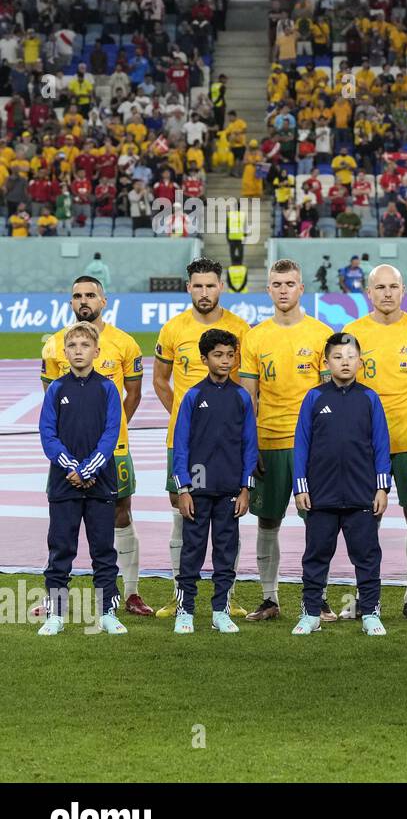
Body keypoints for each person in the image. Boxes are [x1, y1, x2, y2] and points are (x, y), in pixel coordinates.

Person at [38, 277, 148, 617]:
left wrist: (109, 433)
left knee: (120, 513)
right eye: (77, 296)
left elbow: (133, 393)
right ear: (71, 302)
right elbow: (51, 399)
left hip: (113, 450)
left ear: (104, 300)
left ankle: (129, 593)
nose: (83, 300)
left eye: (90, 295)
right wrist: (72, 455)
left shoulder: (124, 342)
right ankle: (55, 601)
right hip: (68, 455)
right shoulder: (56, 344)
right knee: (62, 527)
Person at [153, 257, 251, 619]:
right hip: (186, 445)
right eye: (198, 285)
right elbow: (160, 380)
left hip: (226, 445)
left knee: (229, 516)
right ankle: (181, 595)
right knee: (184, 513)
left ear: (221, 287)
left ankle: (228, 597)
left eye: (211, 285)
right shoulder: (172, 329)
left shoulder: (240, 328)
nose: (204, 292)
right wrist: (184, 421)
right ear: (188, 288)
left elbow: (247, 384)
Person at [239, 259, 335, 622]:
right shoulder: (256, 336)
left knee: (317, 521)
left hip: (310, 447)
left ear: (301, 288)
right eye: (277, 284)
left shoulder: (321, 334)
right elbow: (248, 398)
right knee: (267, 521)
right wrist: (251, 447)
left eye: (290, 283)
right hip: (268, 441)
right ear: (269, 290)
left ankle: (318, 597)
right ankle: (269, 598)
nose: (283, 290)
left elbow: (329, 396)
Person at [344, 265, 407, 620]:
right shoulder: (353, 333)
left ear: (404, 290)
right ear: (369, 292)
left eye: (393, 286)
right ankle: (364, 596)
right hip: (364, 444)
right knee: (366, 517)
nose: (387, 293)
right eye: (380, 287)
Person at [290, 333, 392, 636]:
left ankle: (370, 612)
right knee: (316, 554)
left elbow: (382, 445)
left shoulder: (369, 398)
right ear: (326, 362)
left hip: (362, 495)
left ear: (360, 361)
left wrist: (381, 488)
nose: (345, 362)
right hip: (321, 495)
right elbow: (302, 445)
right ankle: (311, 613)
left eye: (350, 356)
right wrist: (301, 487)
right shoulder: (314, 397)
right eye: (337, 357)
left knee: (367, 555)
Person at [36, 323, 128, 636]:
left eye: (84, 345)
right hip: (64, 483)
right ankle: (56, 614)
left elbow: (110, 434)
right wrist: (72, 468)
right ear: (64, 352)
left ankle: (107, 612)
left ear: (96, 351)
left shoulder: (108, 389)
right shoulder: (56, 390)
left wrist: (88, 470)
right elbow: (48, 434)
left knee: (103, 550)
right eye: (72, 345)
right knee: (60, 549)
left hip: (100, 482)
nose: (78, 350)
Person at [170, 328, 258, 634]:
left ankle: (221, 609)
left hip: (231, 487)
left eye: (230, 355)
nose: (225, 361)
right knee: (192, 549)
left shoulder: (241, 397)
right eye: (218, 355)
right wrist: (183, 488)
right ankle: (186, 610)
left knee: (225, 550)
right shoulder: (193, 396)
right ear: (204, 358)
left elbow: (250, 445)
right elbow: (180, 445)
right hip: (199, 484)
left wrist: (246, 488)